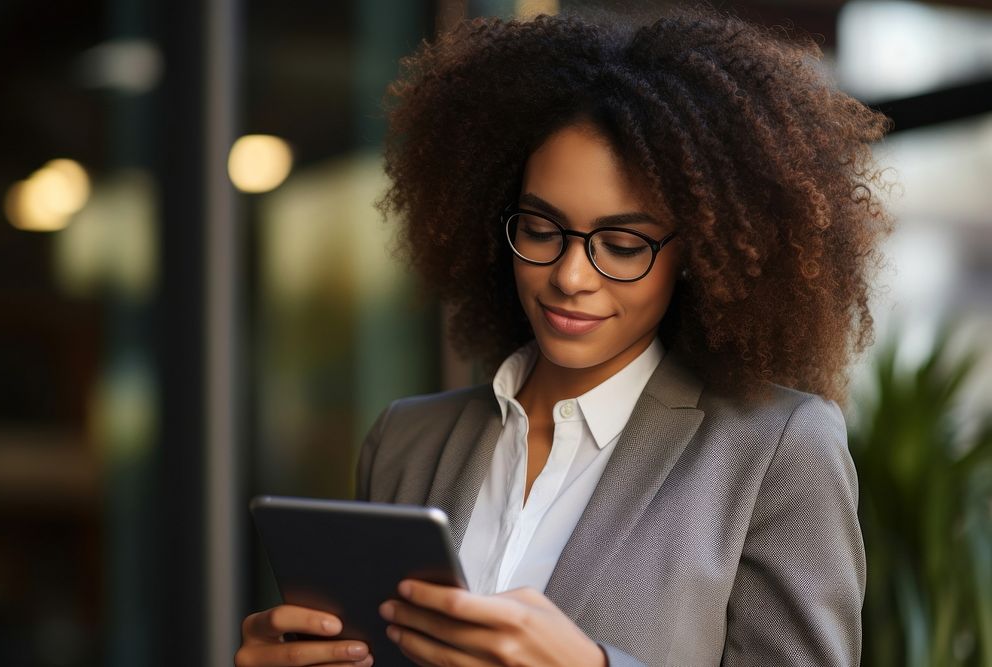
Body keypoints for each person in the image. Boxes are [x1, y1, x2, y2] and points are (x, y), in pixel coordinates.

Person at [236, 6, 891, 667]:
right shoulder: (407, 442)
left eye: (623, 242)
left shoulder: (774, 451)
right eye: (543, 230)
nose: (570, 275)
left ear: (697, 251)